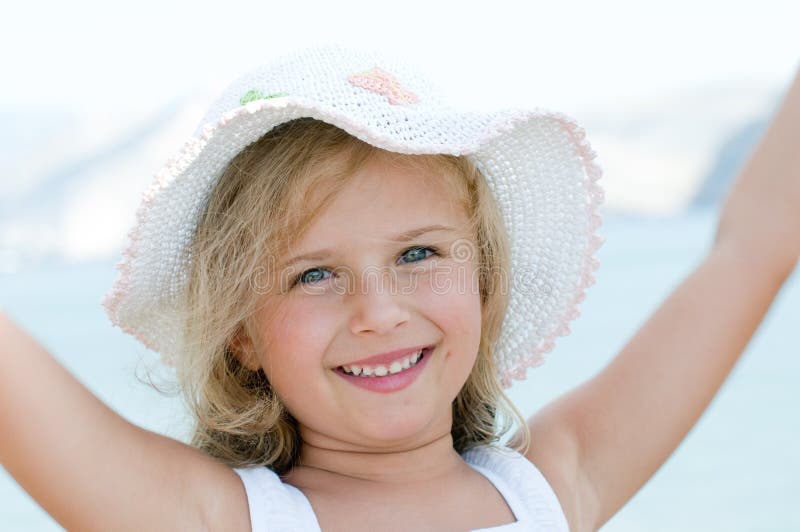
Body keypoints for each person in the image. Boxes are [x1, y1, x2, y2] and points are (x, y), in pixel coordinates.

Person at [0, 44, 798, 532]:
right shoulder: (222, 521)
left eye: (418, 254)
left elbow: (753, 249)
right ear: (241, 333)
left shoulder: (555, 486)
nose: (378, 312)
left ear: (483, 281)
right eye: (314, 274)